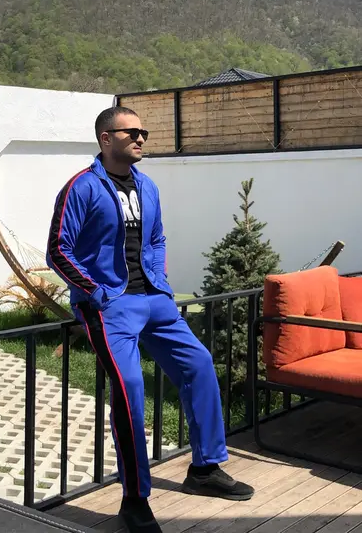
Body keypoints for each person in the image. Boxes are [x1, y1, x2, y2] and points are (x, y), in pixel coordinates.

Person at [46, 105, 254, 532]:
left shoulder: (148, 186)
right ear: (106, 138)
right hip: (110, 305)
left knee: (199, 365)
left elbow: (157, 237)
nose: (140, 138)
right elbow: (58, 250)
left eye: (143, 132)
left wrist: (160, 280)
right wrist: (97, 292)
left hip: (155, 300)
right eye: (131, 132)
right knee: (130, 389)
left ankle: (205, 469)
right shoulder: (81, 187)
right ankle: (135, 498)